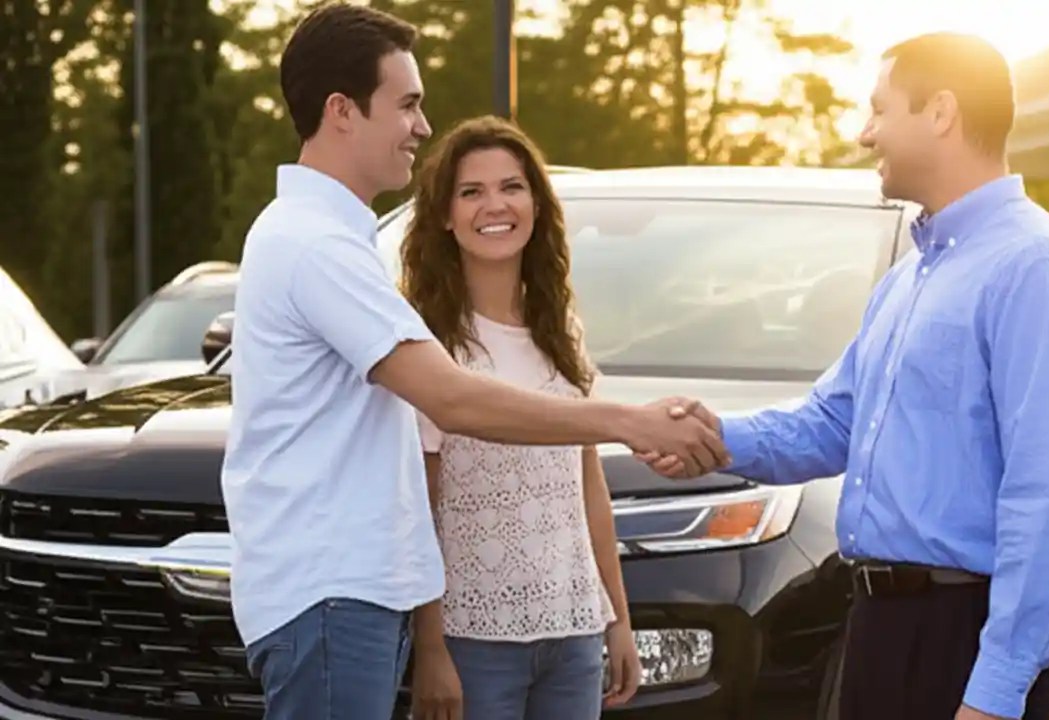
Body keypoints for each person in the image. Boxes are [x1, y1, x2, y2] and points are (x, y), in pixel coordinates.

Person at [221, 5, 724, 720]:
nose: (422, 128)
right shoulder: (314, 246)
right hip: (331, 598)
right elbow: (452, 399)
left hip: (347, 599)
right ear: (342, 111)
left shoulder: (326, 239)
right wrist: (628, 421)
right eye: (407, 104)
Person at [643, 32, 1049, 720]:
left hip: (962, 642)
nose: (865, 135)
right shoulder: (908, 280)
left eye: (880, 110)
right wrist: (714, 438)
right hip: (877, 633)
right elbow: (833, 423)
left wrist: (997, 690)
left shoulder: (1036, 268)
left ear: (941, 112)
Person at [399, 115, 642, 719]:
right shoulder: (427, 350)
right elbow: (418, 509)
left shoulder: (562, 335)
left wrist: (617, 620)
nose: (495, 205)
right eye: (471, 191)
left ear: (536, 204)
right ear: (445, 216)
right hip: (474, 642)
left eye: (511, 186)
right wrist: (430, 647)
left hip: (574, 635)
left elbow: (589, 488)